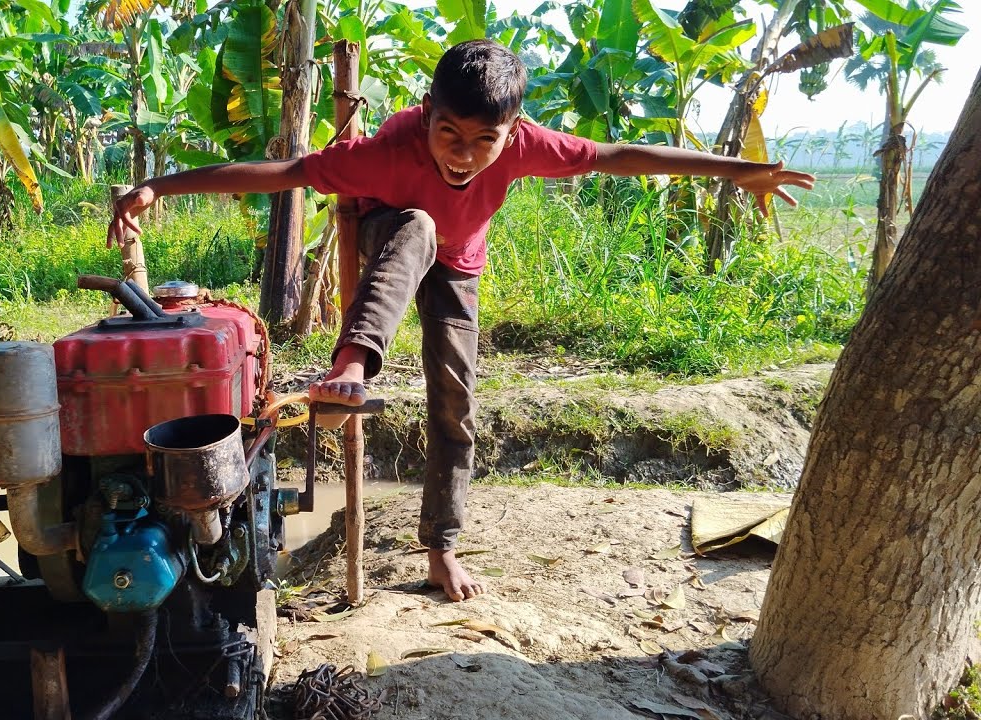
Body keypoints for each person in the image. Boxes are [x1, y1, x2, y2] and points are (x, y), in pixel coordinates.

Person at [107, 40, 814, 602]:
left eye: (485, 140)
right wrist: (157, 185)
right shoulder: (388, 150)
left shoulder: (530, 144)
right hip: (393, 233)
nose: (464, 154)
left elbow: (621, 157)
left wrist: (735, 168)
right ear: (426, 114)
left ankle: (440, 546)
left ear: (513, 133)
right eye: (450, 134)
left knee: (457, 404)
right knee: (414, 222)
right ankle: (350, 363)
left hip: (460, 265)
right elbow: (283, 171)